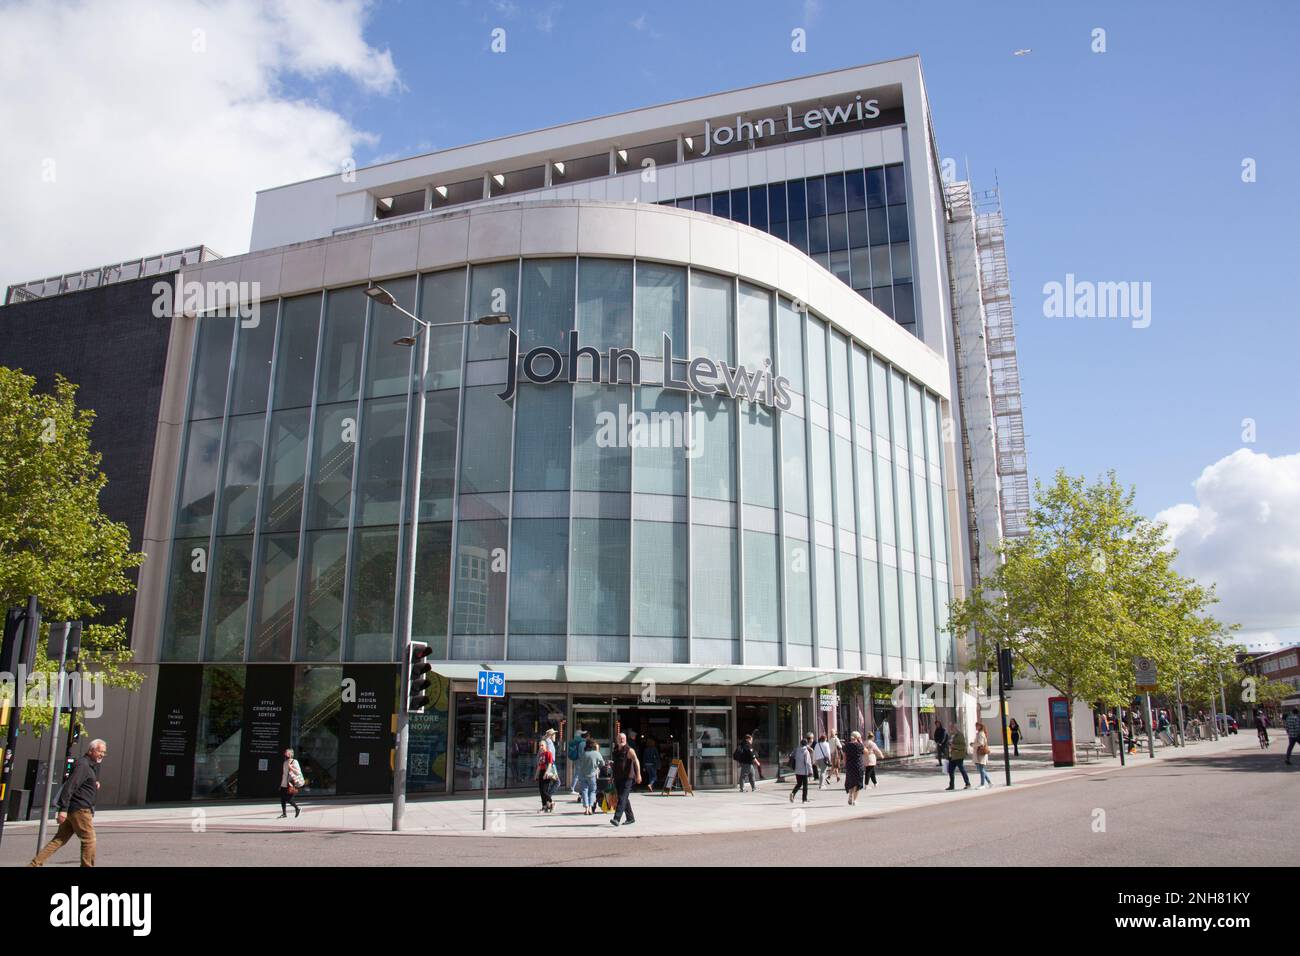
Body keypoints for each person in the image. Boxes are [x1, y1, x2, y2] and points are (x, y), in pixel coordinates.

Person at [29, 739, 108, 867]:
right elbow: (70, 786)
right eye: (100, 751)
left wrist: (94, 783)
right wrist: (63, 809)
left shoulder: (88, 766)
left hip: (75, 809)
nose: (102, 755)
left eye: (104, 752)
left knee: (59, 840)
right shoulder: (83, 765)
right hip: (80, 810)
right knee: (89, 840)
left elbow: (80, 783)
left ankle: (34, 865)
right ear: (91, 750)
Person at [610, 732, 641, 826]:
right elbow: (615, 765)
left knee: (622, 797)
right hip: (618, 777)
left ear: (626, 739)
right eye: (620, 738)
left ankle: (616, 818)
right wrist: (612, 776)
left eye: (623, 738)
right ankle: (630, 818)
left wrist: (638, 774)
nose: (622, 739)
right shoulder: (615, 750)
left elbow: (636, 761)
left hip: (628, 778)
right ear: (617, 740)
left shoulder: (629, 750)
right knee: (623, 797)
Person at [577, 739, 605, 815]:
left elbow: (580, 764)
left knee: (584, 791)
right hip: (592, 775)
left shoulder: (583, 754)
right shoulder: (596, 753)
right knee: (593, 791)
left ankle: (586, 808)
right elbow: (602, 764)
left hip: (583, 775)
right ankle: (590, 807)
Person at [842, 731, 866, 805]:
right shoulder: (860, 745)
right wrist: (861, 742)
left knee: (850, 781)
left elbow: (844, 756)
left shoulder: (846, 746)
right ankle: (855, 800)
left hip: (850, 766)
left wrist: (845, 764)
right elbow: (866, 752)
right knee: (857, 783)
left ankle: (850, 796)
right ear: (858, 738)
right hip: (858, 766)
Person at [789, 734, 814, 803]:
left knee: (799, 784)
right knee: (805, 786)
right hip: (804, 771)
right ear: (806, 744)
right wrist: (810, 771)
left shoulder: (797, 749)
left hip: (797, 770)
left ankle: (793, 793)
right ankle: (804, 799)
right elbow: (808, 762)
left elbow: (791, 755)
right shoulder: (806, 752)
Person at [279, 747, 304, 818]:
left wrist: (291, 767)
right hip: (284, 784)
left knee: (288, 799)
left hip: (290, 784)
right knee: (282, 798)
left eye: (286, 752)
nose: (285, 753)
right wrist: (281, 784)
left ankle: (297, 808)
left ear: (290, 753)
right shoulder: (285, 762)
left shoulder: (294, 761)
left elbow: (298, 772)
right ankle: (284, 813)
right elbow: (284, 774)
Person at [537, 733, 558, 812]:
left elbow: (550, 763)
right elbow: (539, 765)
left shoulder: (548, 753)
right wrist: (536, 774)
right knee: (541, 791)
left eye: (542, 745)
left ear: (545, 746)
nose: (541, 747)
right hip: (541, 772)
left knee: (545, 791)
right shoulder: (541, 755)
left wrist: (546, 773)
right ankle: (544, 806)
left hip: (547, 773)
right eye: (540, 746)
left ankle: (552, 802)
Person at [945, 724, 971, 790]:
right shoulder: (951, 736)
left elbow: (963, 746)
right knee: (950, 770)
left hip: (958, 756)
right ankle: (951, 785)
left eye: (952, 728)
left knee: (962, 770)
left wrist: (954, 746)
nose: (950, 729)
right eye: (950, 728)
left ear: (955, 728)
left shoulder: (960, 735)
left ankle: (968, 783)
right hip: (952, 756)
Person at [567, 729, 588, 798]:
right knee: (579, 774)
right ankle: (573, 788)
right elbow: (583, 753)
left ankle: (573, 788)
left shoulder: (574, 741)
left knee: (577, 774)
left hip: (577, 759)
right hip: (580, 760)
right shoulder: (582, 742)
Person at [973, 721, 993, 788]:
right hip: (979, 753)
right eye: (976, 725)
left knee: (981, 769)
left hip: (981, 753)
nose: (976, 727)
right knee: (981, 769)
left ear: (980, 726)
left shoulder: (981, 734)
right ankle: (989, 782)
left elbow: (981, 743)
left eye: (977, 726)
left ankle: (982, 784)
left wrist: (973, 744)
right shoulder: (979, 733)